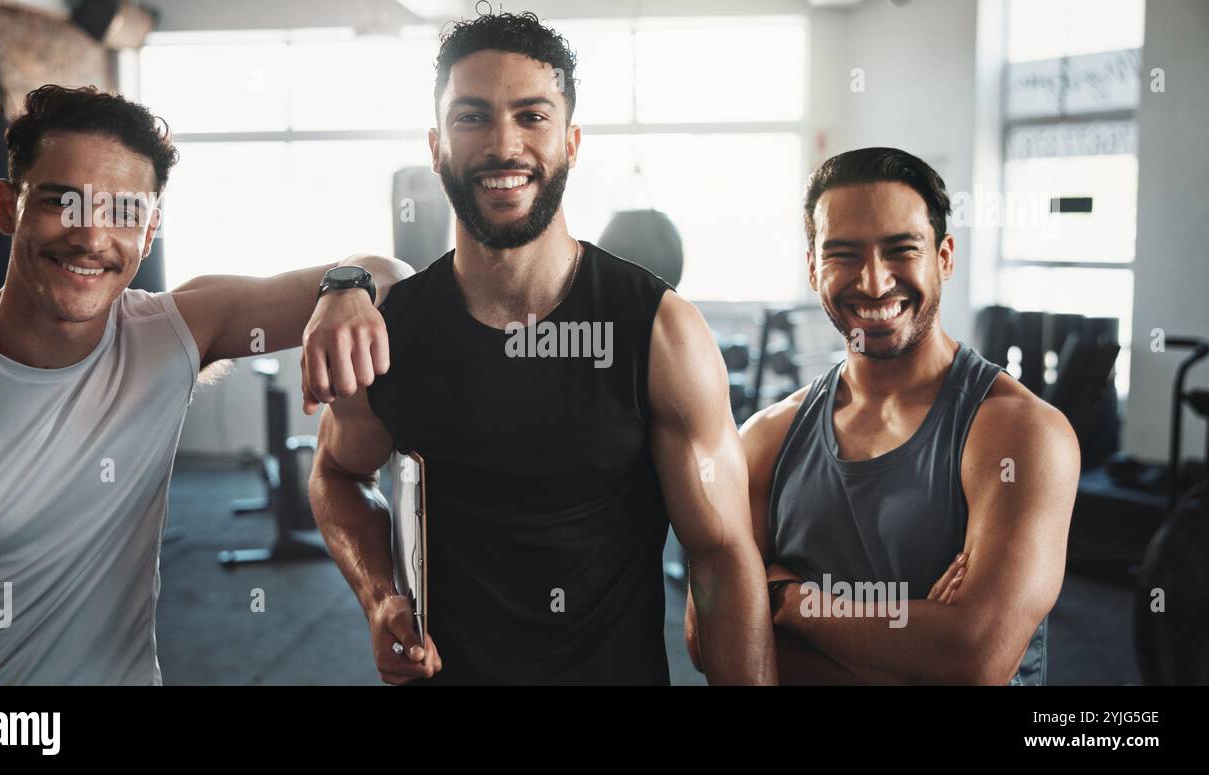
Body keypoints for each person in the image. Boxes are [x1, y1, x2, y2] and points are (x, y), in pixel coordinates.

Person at [306, 11, 774, 685]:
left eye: (531, 116)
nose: (504, 145)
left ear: (572, 140)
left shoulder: (658, 331)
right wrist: (380, 594)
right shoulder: (396, 332)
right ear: (435, 146)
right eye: (472, 118)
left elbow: (724, 558)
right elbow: (335, 473)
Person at [0, 85, 407, 685]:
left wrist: (345, 288)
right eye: (62, 201)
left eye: (123, 212)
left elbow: (394, 274)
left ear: (150, 234)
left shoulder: (168, 335)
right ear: (6, 204)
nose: (91, 237)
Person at [687, 147, 1078, 684]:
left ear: (944, 257)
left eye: (901, 250)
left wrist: (787, 602)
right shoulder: (765, 441)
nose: (873, 283)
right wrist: (916, 646)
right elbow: (711, 641)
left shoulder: (1020, 434)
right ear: (812, 267)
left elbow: (973, 656)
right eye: (844, 254)